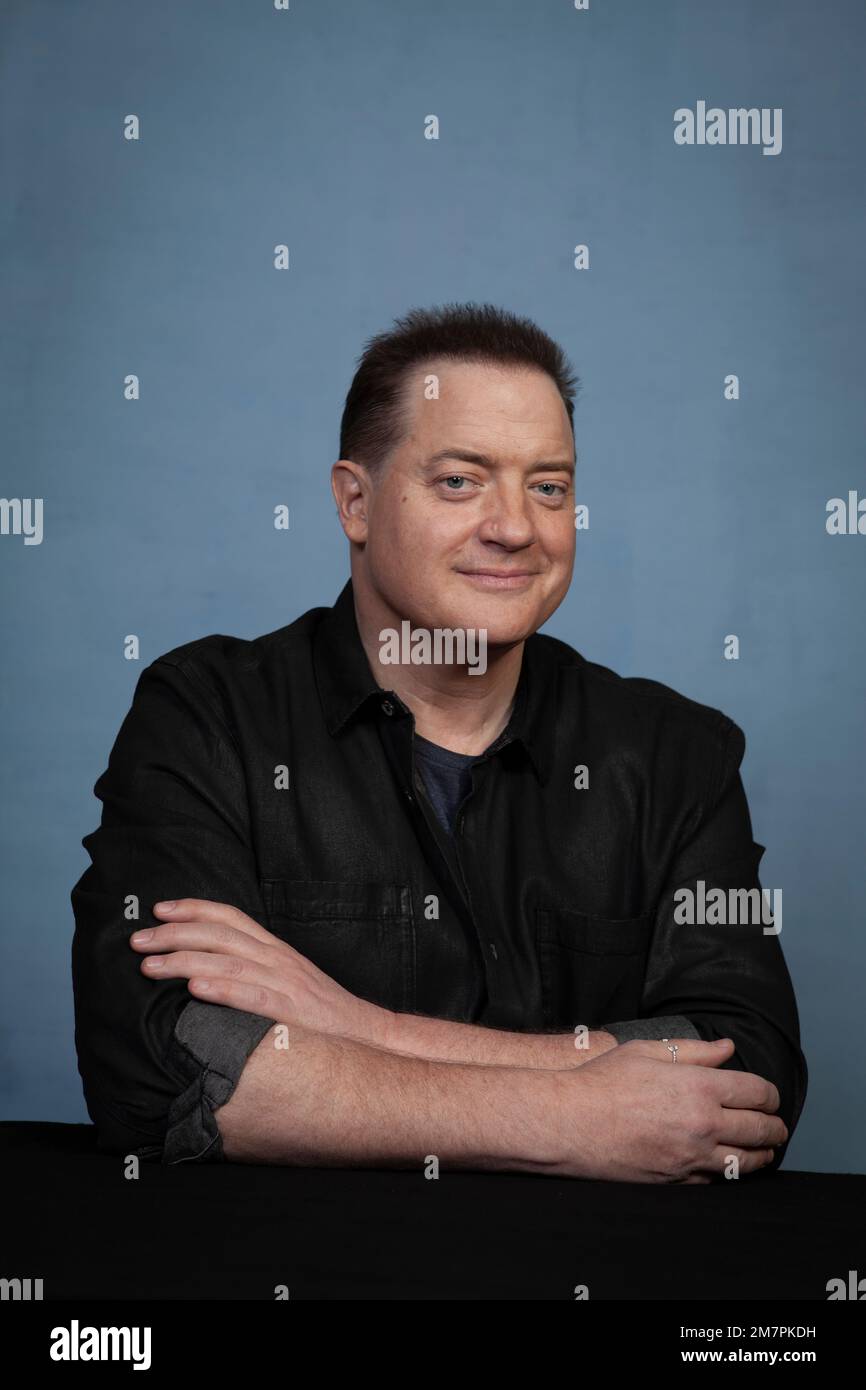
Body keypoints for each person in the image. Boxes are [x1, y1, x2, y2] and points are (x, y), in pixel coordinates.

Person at [71, 302, 805, 1182]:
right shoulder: (207, 718)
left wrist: (355, 1027)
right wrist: (579, 1109)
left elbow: (748, 1071)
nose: (515, 527)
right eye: (460, 481)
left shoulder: (677, 755)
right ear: (355, 501)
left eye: (550, 487)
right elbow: (168, 1072)